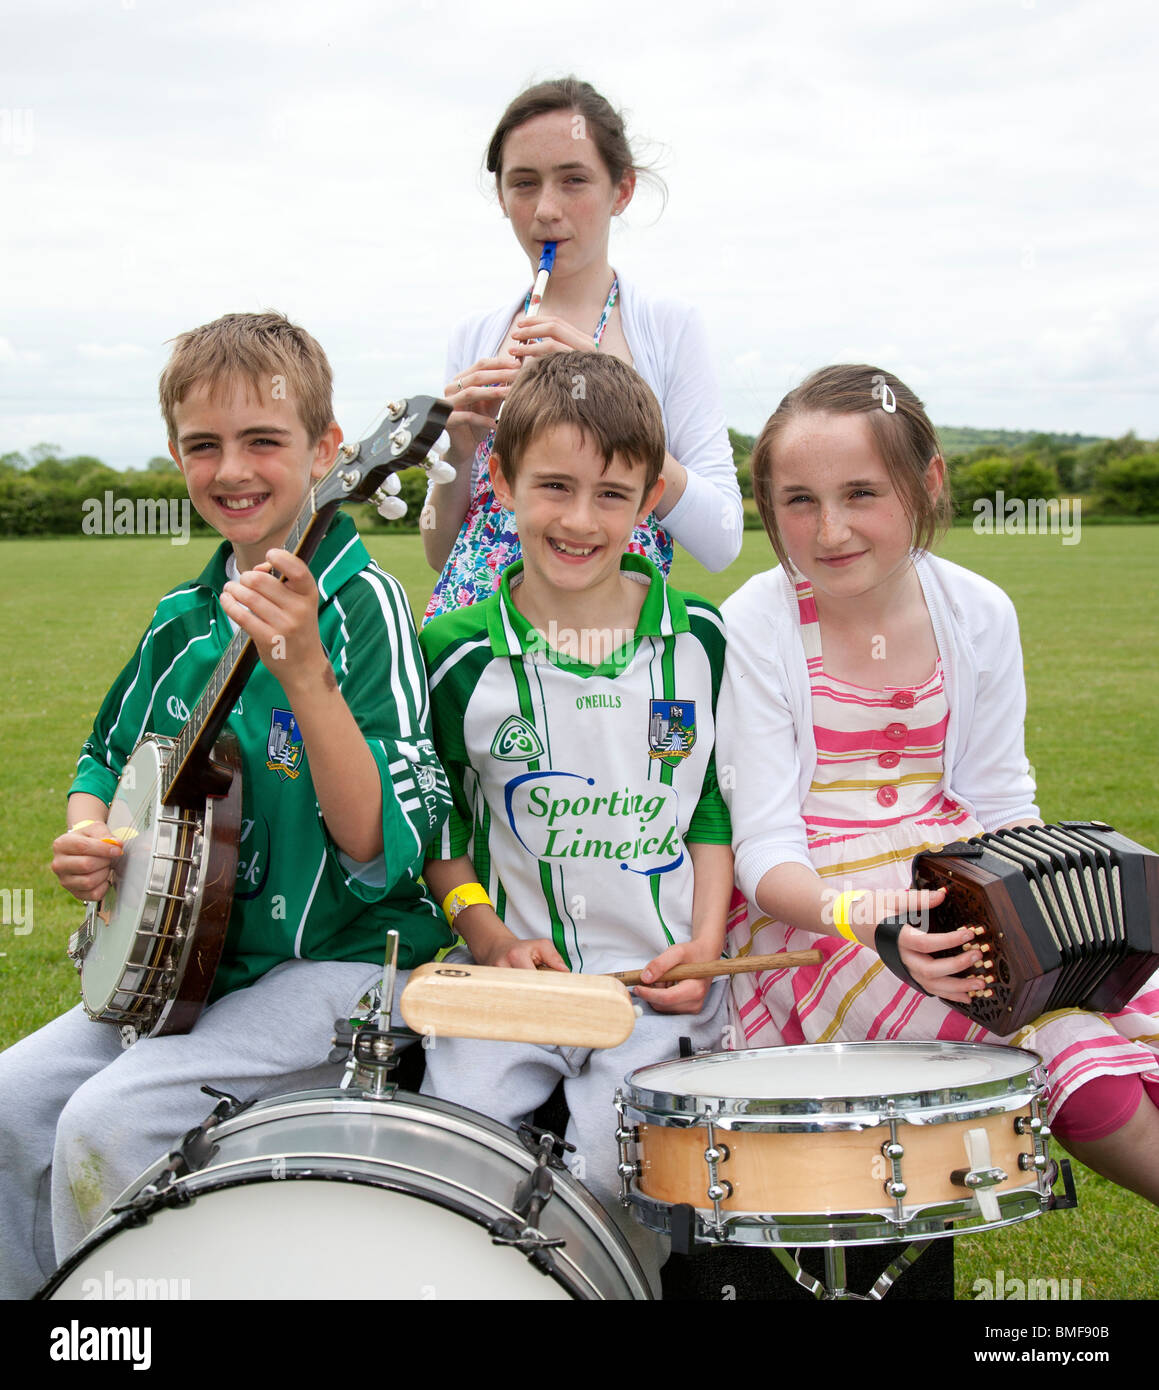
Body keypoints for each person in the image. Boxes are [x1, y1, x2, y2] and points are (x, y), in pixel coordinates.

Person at [0, 311, 452, 1298]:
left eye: (264, 440)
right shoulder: (181, 618)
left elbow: (383, 846)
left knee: (106, 1123)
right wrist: (89, 833)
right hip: (189, 972)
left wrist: (305, 675)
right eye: (204, 444)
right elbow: (104, 755)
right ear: (175, 456)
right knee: (10, 1099)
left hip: (336, 966)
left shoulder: (360, 606)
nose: (232, 468)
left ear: (333, 453)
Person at [718, 363, 1159, 1204]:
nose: (830, 529)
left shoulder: (977, 609)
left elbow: (1001, 806)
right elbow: (765, 849)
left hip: (962, 884)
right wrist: (871, 921)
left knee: (1124, 1012)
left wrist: (1032, 921)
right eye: (797, 501)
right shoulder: (757, 621)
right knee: (1075, 1063)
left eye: (861, 493)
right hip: (823, 926)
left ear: (927, 483)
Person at [418, 352, 735, 1288]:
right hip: (511, 985)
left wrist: (707, 945)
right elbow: (437, 821)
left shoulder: (702, 637)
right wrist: (484, 931)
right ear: (502, 484)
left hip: (653, 987)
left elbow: (708, 806)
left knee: (616, 1170)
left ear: (648, 502)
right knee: (457, 1163)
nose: (580, 519)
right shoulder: (453, 646)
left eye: (612, 493)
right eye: (552, 486)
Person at [421, 76, 742, 623]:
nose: (547, 209)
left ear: (622, 190)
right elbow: (438, 553)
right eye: (524, 183)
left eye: (574, 180)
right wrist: (454, 449)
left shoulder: (668, 327)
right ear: (502, 197)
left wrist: (606, 397)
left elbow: (723, 540)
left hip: (608, 660)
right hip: (473, 654)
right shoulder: (475, 334)